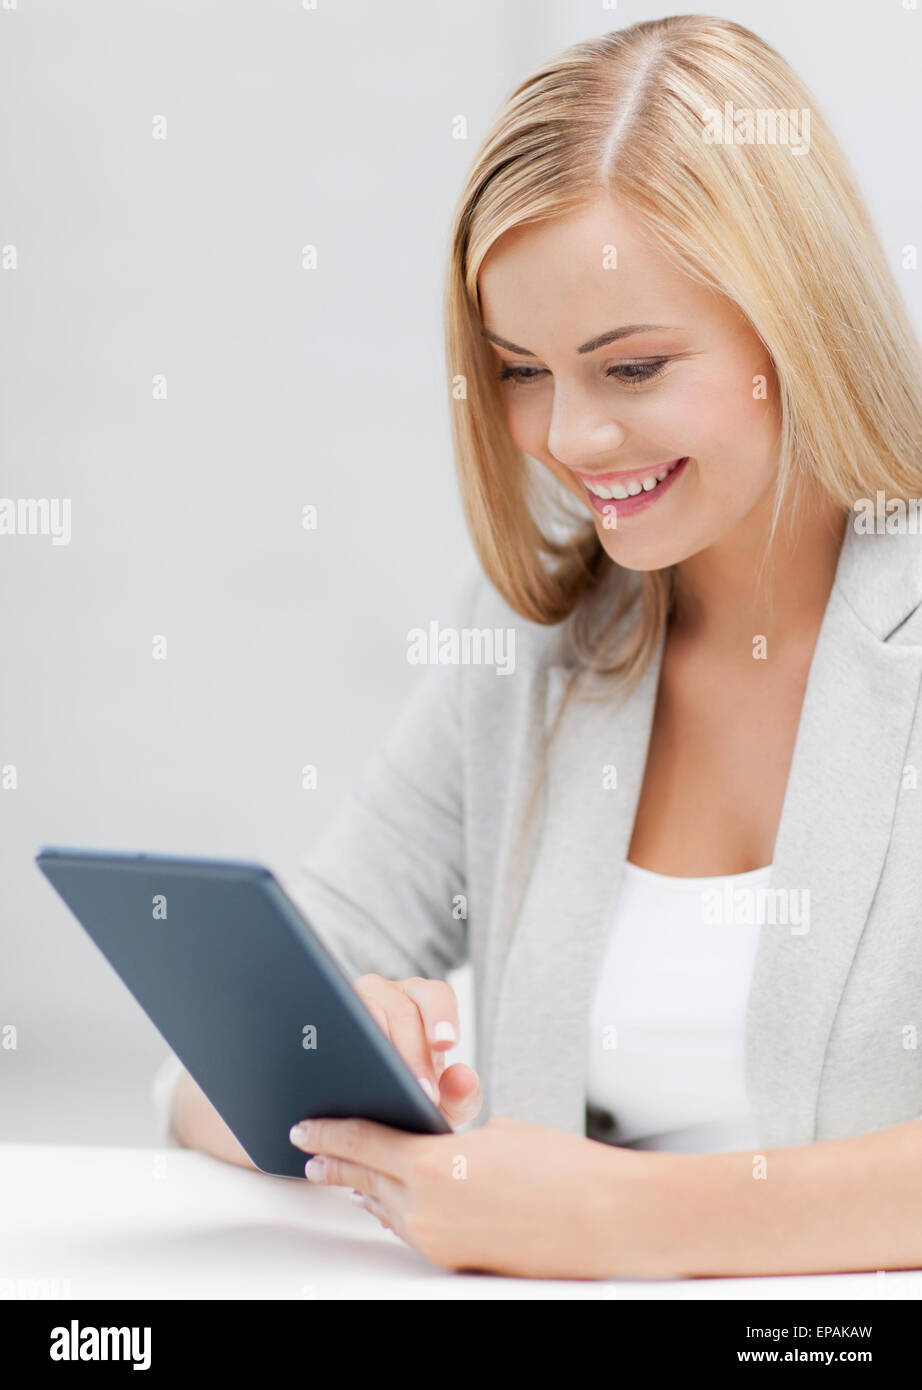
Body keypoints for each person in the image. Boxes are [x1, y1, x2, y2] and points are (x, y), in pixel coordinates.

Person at [152, 15, 922, 1279]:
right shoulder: (533, 644)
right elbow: (195, 1067)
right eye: (519, 369)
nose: (569, 436)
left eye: (629, 365)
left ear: (800, 325)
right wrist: (332, 1051)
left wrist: (627, 1222)